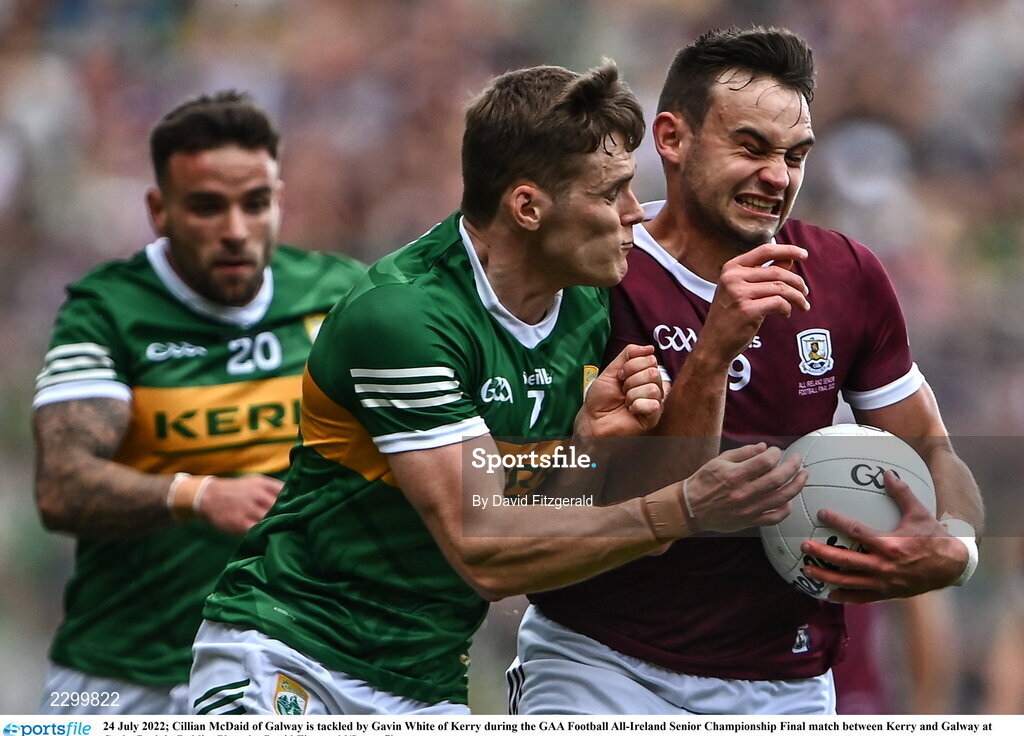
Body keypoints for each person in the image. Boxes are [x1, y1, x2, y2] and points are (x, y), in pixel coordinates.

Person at [187, 61, 808, 716]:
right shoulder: (405, 318)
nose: (634, 213)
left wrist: (586, 449)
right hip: (291, 653)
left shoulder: (587, 306)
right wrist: (680, 509)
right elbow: (485, 552)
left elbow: (542, 520)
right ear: (528, 207)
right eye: (611, 193)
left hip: (427, 683)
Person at [513, 27, 984, 716]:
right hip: (600, 661)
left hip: (786, 683)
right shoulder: (589, 275)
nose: (778, 177)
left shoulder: (844, 274)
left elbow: (931, 449)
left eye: (795, 156)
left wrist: (956, 547)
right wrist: (715, 351)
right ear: (672, 139)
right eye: (752, 147)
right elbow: (566, 507)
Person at [33, 90, 365, 714]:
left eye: (255, 204)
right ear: (158, 210)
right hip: (125, 678)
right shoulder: (107, 313)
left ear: (279, 201)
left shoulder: (339, 295)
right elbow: (61, 486)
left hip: (290, 664)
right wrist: (199, 495)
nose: (235, 232)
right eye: (208, 207)